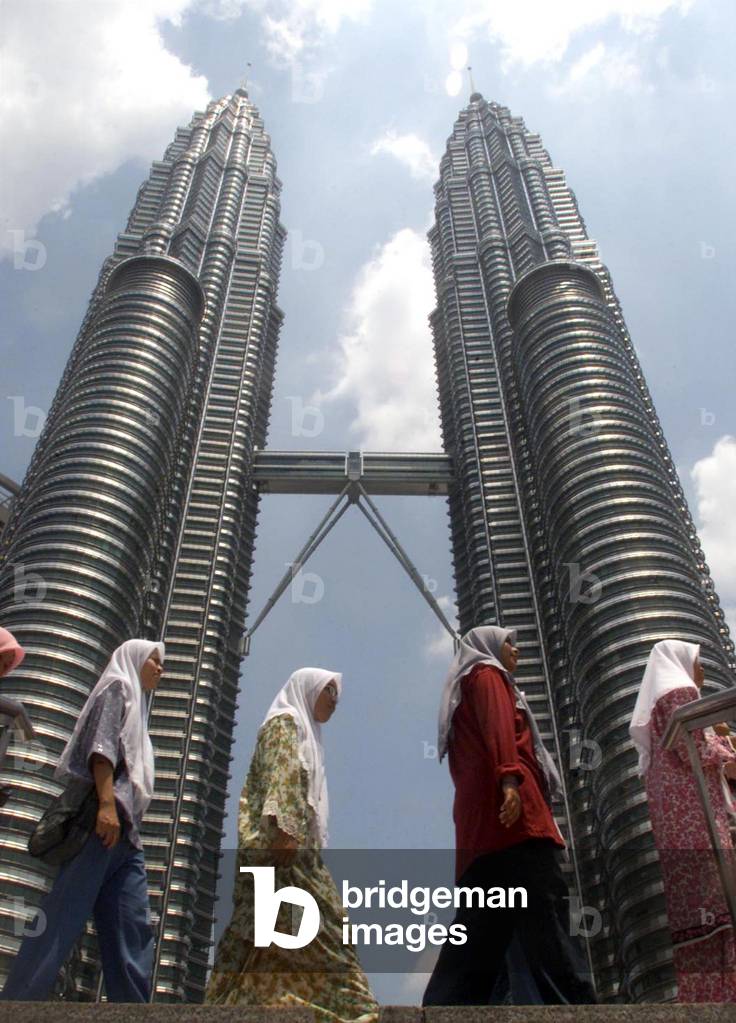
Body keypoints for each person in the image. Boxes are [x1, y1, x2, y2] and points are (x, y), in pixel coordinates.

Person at [423, 625, 596, 1006]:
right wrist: (509, 780)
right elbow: (498, 728)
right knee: (545, 913)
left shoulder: (463, 690)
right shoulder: (486, 676)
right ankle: (576, 1003)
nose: (516, 651)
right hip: (514, 824)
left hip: (482, 832)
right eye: (509, 643)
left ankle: (446, 1005)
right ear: (488, 647)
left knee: (483, 925)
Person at [206, 667, 378, 1023]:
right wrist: (285, 830)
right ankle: (356, 1009)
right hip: (283, 851)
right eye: (329, 690)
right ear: (308, 687)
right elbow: (281, 773)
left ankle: (240, 1005)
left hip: (293, 852)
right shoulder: (286, 723)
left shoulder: (308, 736)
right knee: (327, 925)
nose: (335, 700)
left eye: (338, 694)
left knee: (260, 934)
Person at [0, 638, 163, 1002]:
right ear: (135, 659)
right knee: (63, 918)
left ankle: (133, 1010)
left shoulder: (138, 706)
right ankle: (17, 1004)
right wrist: (106, 804)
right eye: (155, 660)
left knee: (130, 928)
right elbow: (101, 748)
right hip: (101, 822)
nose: (160, 669)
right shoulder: (117, 688)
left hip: (127, 836)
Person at [629, 639, 736, 1002]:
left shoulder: (662, 695)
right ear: (683, 662)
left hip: (677, 814)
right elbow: (696, 750)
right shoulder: (680, 689)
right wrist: (728, 750)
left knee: (699, 906)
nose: (703, 671)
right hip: (694, 810)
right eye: (699, 661)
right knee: (719, 890)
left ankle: (706, 994)